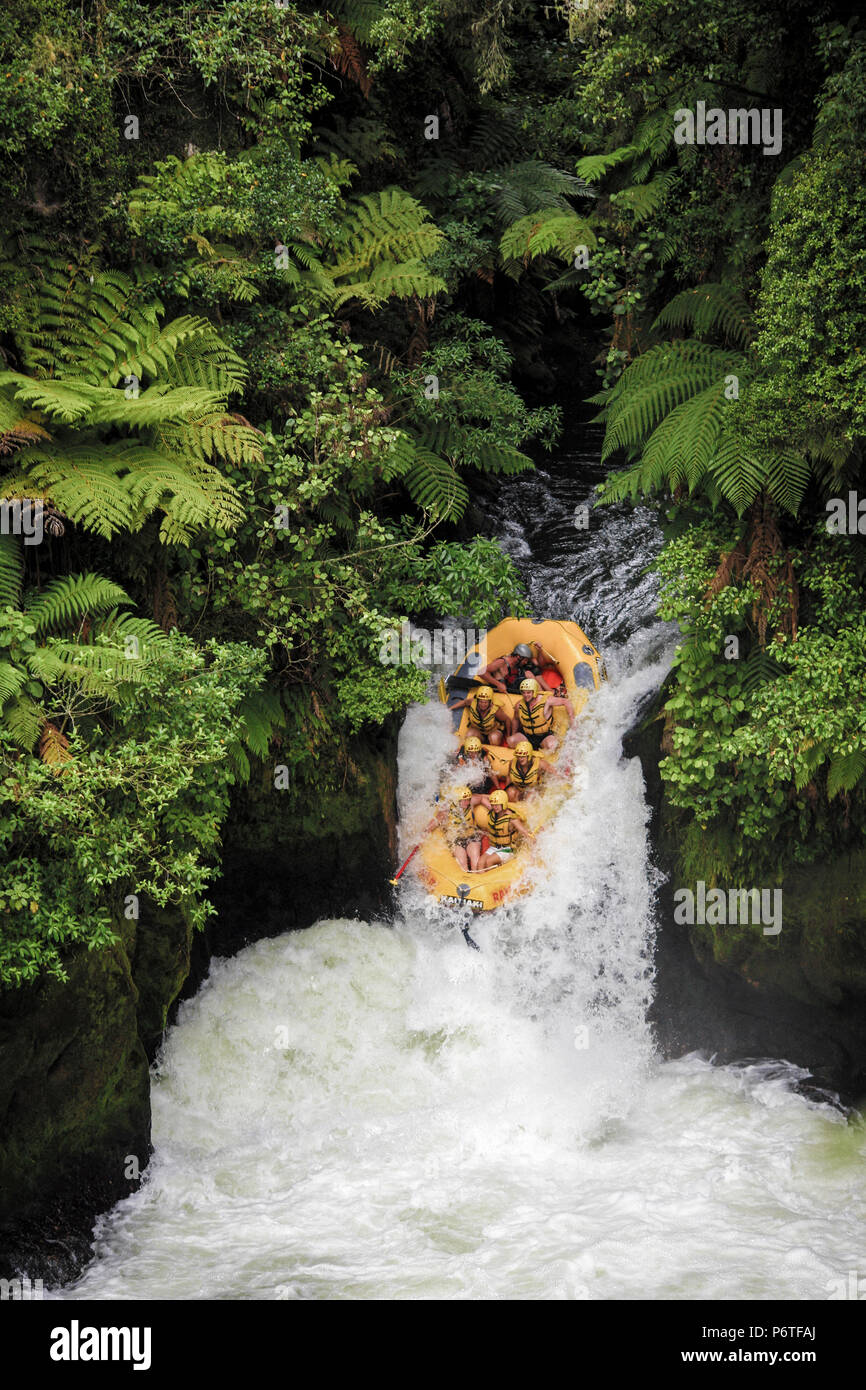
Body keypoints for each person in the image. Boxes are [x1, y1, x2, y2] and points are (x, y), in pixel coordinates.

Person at [425, 785, 487, 871]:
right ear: (457, 800)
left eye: (468, 799)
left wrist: (492, 809)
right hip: (456, 840)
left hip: (471, 837)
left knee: (475, 862)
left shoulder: (471, 801)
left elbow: (481, 798)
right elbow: (436, 821)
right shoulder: (447, 809)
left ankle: (477, 880)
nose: (467, 802)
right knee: (463, 865)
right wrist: (425, 832)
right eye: (464, 800)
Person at [507, 677, 574, 752]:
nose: (526, 695)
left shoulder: (547, 701)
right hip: (528, 736)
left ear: (534, 692)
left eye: (528, 692)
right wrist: (513, 733)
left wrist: (572, 718)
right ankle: (528, 750)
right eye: (523, 692)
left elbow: (566, 702)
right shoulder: (519, 705)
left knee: (552, 745)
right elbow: (515, 719)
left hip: (544, 736)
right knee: (511, 741)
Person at [476, 788, 535, 869]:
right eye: (493, 804)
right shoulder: (493, 812)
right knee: (480, 863)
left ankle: (491, 879)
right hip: (494, 847)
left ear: (503, 803)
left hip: (508, 848)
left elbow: (524, 831)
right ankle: (480, 880)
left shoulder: (512, 818)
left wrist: (533, 842)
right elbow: (482, 799)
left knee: (489, 861)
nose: (494, 807)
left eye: (497, 805)